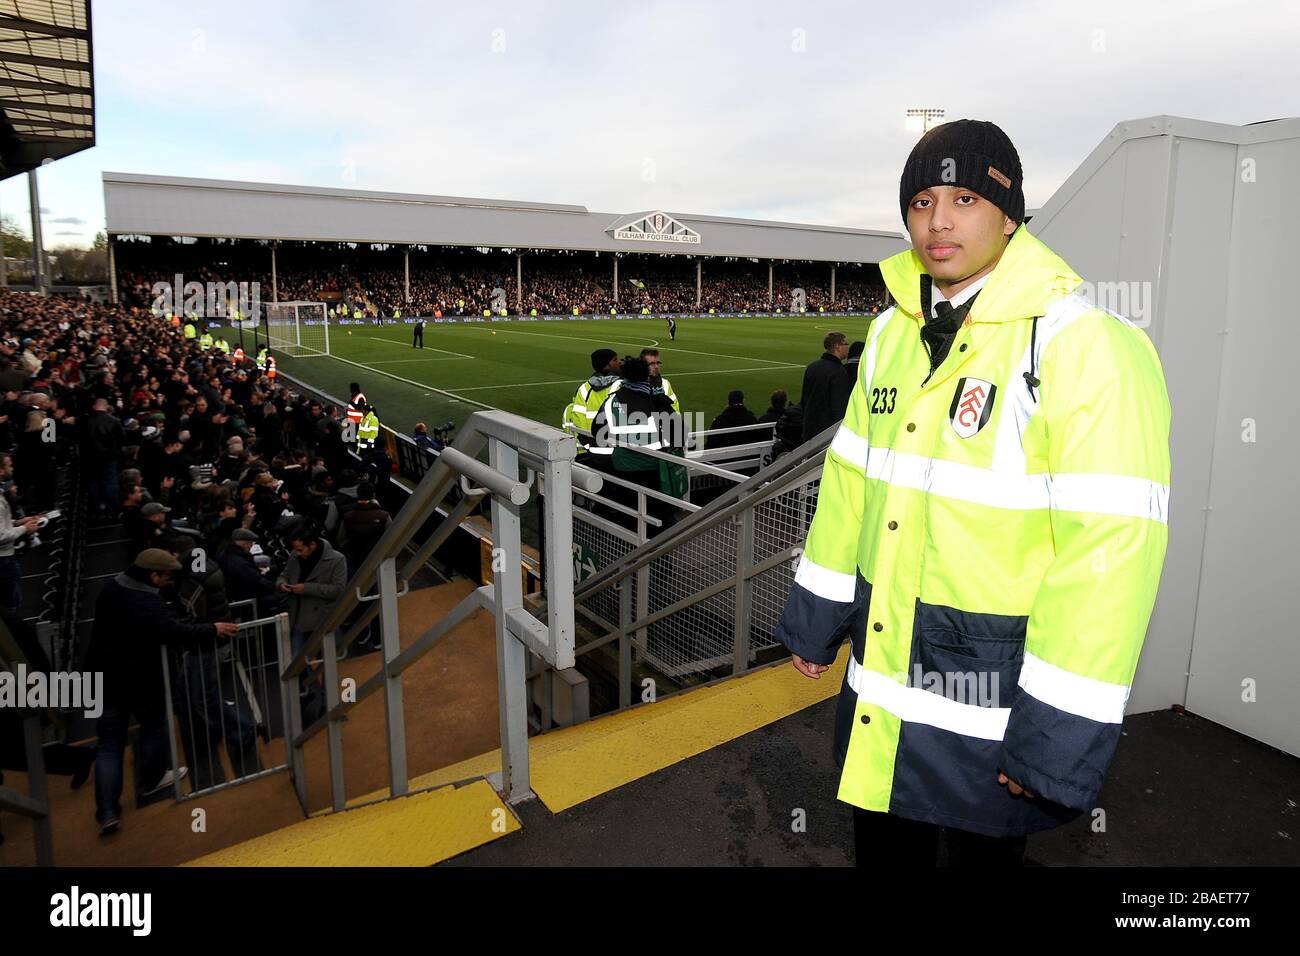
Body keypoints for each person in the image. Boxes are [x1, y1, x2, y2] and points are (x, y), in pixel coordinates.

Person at [775, 119, 1171, 867]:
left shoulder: (1085, 344)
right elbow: (852, 482)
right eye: (921, 201)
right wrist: (815, 619)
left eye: (964, 198)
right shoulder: (892, 334)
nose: (939, 222)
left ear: (1010, 211)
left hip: (998, 707)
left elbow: (1111, 553)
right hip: (885, 693)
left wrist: (1054, 734)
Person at [87, 548, 239, 835]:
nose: (168, 581)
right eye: (165, 576)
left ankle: (107, 810)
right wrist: (212, 629)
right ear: (152, 574)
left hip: (103, 678)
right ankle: (151, 780)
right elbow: (171, 633)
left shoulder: (111, 586)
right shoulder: (147, 602)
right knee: (152, 728)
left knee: (109, 746)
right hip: (141, 681)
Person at [277, 523, 348, 687]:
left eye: (300, 549)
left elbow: (338, 590)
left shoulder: (337, 560)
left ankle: (323, 697)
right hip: (299, 617)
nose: (297, 553)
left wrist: (306, 588)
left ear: (313, 545)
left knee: (327, 664)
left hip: (321, 619)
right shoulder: (295, 556)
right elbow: (284, 574)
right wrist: (281, 584)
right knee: (296, 659)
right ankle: (307, 688)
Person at [562, 349, 622, 466]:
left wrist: (590, 446)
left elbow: (579, 421)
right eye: (615, 360)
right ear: (606, 365)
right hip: (618, 453)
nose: (619, 362)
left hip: (592, 452)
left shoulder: (584, 389)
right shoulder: (622, 386)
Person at [0, 454, 39, 613]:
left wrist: (18, 523)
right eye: (9, 465)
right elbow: (0, 535)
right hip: (2, 560)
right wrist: (25, 529)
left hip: (5, 558)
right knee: (10, 605)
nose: (12, 468)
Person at [798, 330, 852, 443]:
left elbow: (804, 401)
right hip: (827, 433)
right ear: (837, 346)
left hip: (809, 429)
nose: (848, 347)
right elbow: (839, 406)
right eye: (846, 344)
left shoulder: (812, 367)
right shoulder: (838, 371)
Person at [641, 347, 680, 413]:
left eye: (658, 363)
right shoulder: (631, 384)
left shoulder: (665, 383)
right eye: (652, 364)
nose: (656, 367)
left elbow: (675, 408)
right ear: (642, 365)